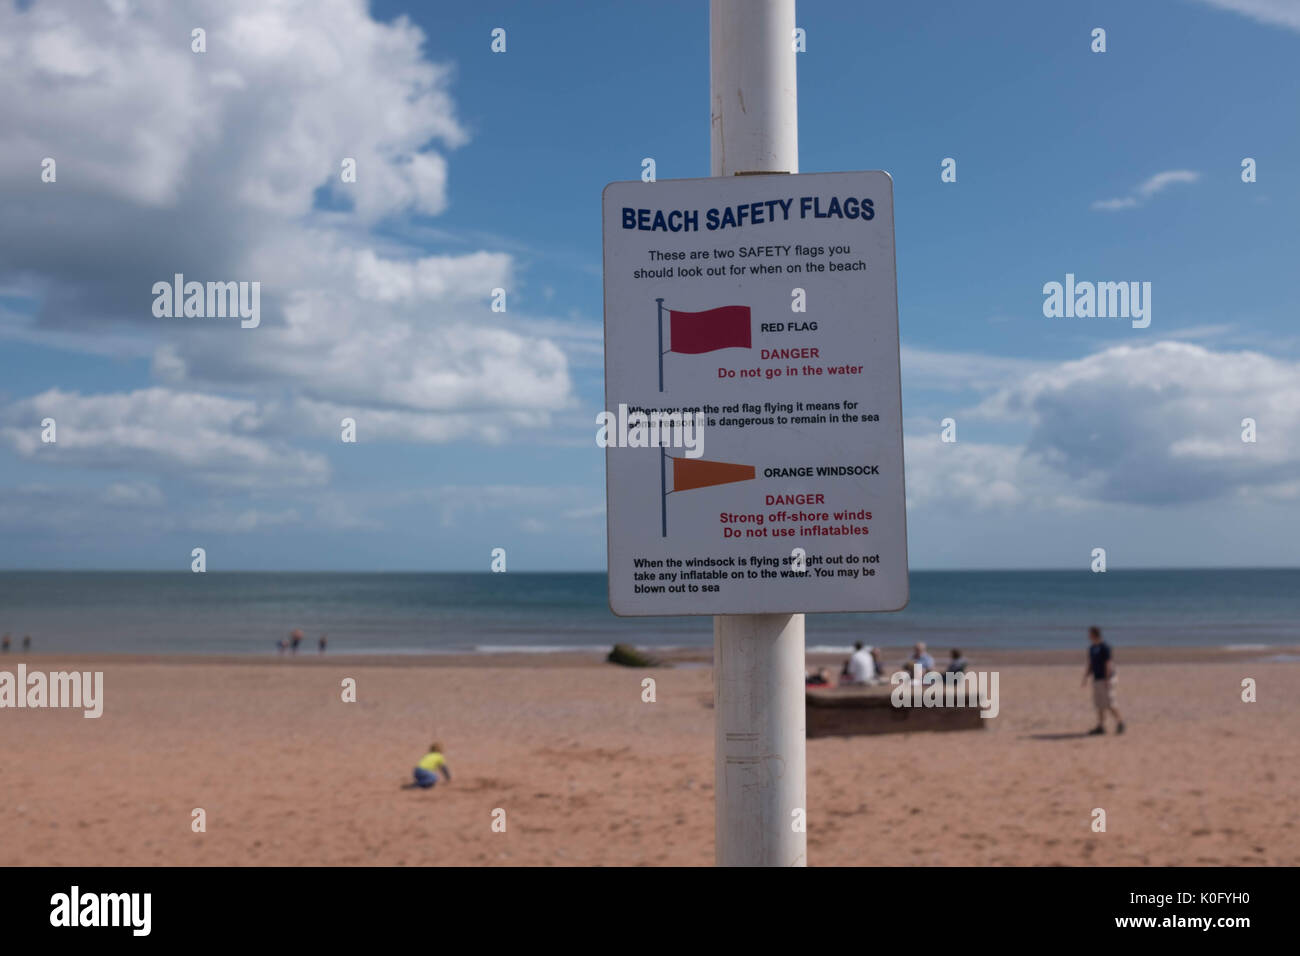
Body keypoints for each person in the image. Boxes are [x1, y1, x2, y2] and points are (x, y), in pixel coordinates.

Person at [1081, 626, 1124, 735]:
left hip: (1106, 679)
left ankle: (1120, 722)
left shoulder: (1105, 647)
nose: (1088, 636)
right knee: (1099, 704)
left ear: (1095, 634)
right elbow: (1090, 663)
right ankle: (1101, 726)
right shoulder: (1091, 648)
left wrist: (1107, 678)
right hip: (1096, 679)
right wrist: (1085, 677)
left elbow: (1108, 663)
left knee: (1109, 703)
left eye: (1090, 634)